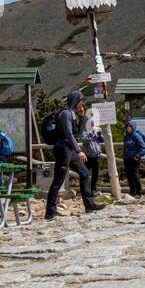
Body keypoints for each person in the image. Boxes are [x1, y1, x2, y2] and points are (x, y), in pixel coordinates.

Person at [46, 90, 104, 219]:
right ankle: (50, 211)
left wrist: (82, 117)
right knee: (58, 180)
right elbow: (68, 134)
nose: (82, 103)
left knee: (85, 173)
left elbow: (76, 130)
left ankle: (89, 205)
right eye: (81, 100)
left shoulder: (72, 113)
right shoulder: (66, 114)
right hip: (63, 150)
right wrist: (79, 151)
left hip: (69, 150)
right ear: (76, 100)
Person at [78, 110, 103, 196]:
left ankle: (93, 190)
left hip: (96, 155)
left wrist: (100, 134)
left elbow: (101, 140)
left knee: (95, 175)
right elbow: (84, 139)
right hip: (87, 156)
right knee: (86, 174)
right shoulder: (85, 130)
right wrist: (92, 132)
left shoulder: (96, 130)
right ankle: (86, 191)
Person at [122, 119, 145, 197]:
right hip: (127, 159)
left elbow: (143, 148)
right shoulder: (126, 136)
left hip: (134, 159)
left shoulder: (137, 136)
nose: (128, 127)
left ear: (133, 127)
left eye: (130, 126)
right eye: (127, 126)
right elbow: (125, 147)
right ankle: (132, 192)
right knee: (129, 176)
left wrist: (137, 156)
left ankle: (138, 192)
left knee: (135, 175)